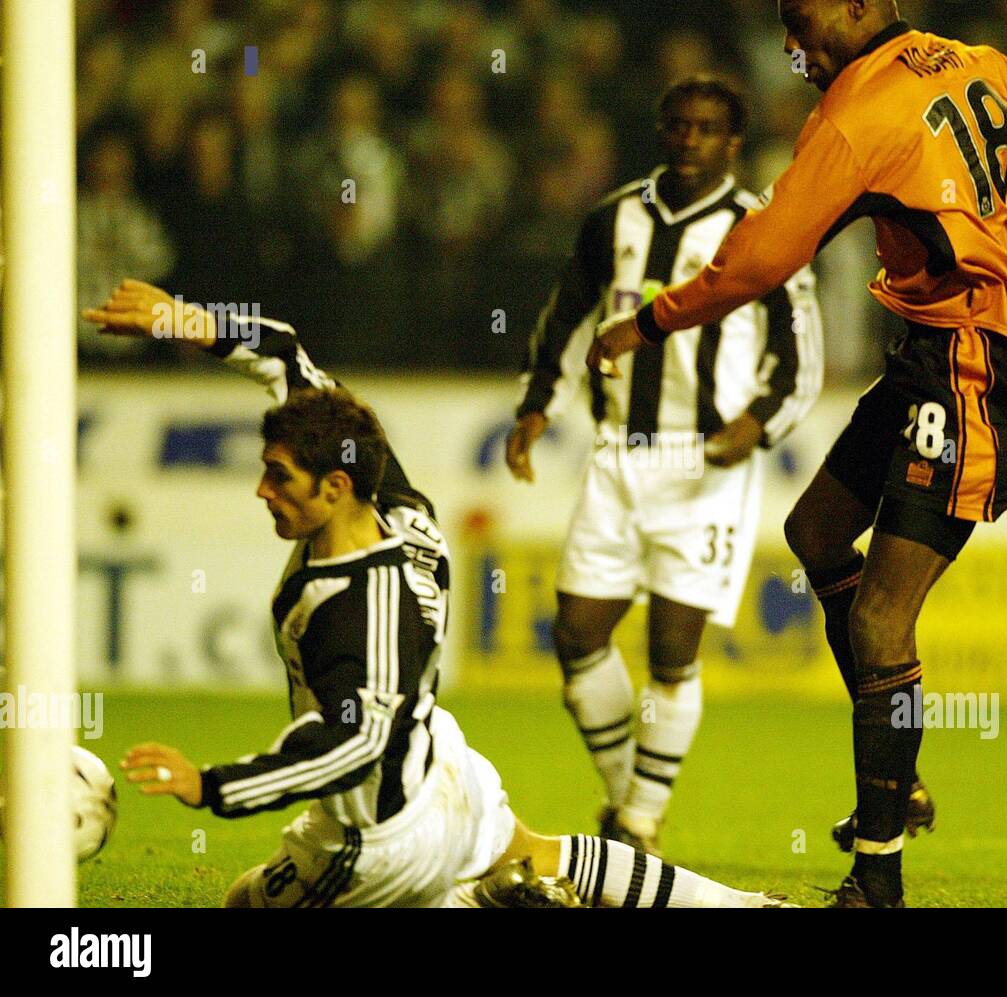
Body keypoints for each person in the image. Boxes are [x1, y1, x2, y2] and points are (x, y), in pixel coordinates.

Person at [587, 1, 1007, 907]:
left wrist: (652, 319)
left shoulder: (857, 117)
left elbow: (758, 262)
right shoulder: (979, 64)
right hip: (934, 355)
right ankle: (900, 773)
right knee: (815, 531)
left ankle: (878, 875)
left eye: (805, 25)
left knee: (882, 619)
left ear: (859, 7)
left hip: (974, 368)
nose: (790, 46)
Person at [85, 279, 790, 909]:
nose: (262, 490)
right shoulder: (400, 507)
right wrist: (185, 320)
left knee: (245, 903)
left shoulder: (350, 609)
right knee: (538, 851)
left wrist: (210, 785)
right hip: (440, 761)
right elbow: (287, 356)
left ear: (333, 487)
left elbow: (353, 742)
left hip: (376, 832)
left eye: (278, 477)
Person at [506, 75, 824, 855]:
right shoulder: (614, 214)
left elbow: (801, 352)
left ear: (733, 143)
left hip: (705, 463)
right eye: (678, 126)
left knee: (671, 654)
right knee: (578, 632)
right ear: (662, 129)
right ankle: (630, 800)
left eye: (707, 129)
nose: (690, 140)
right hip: (619, 454)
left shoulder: (763, 227)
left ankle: (639, 820)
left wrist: (761, 422)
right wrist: (535, 399)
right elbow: (566, 308)